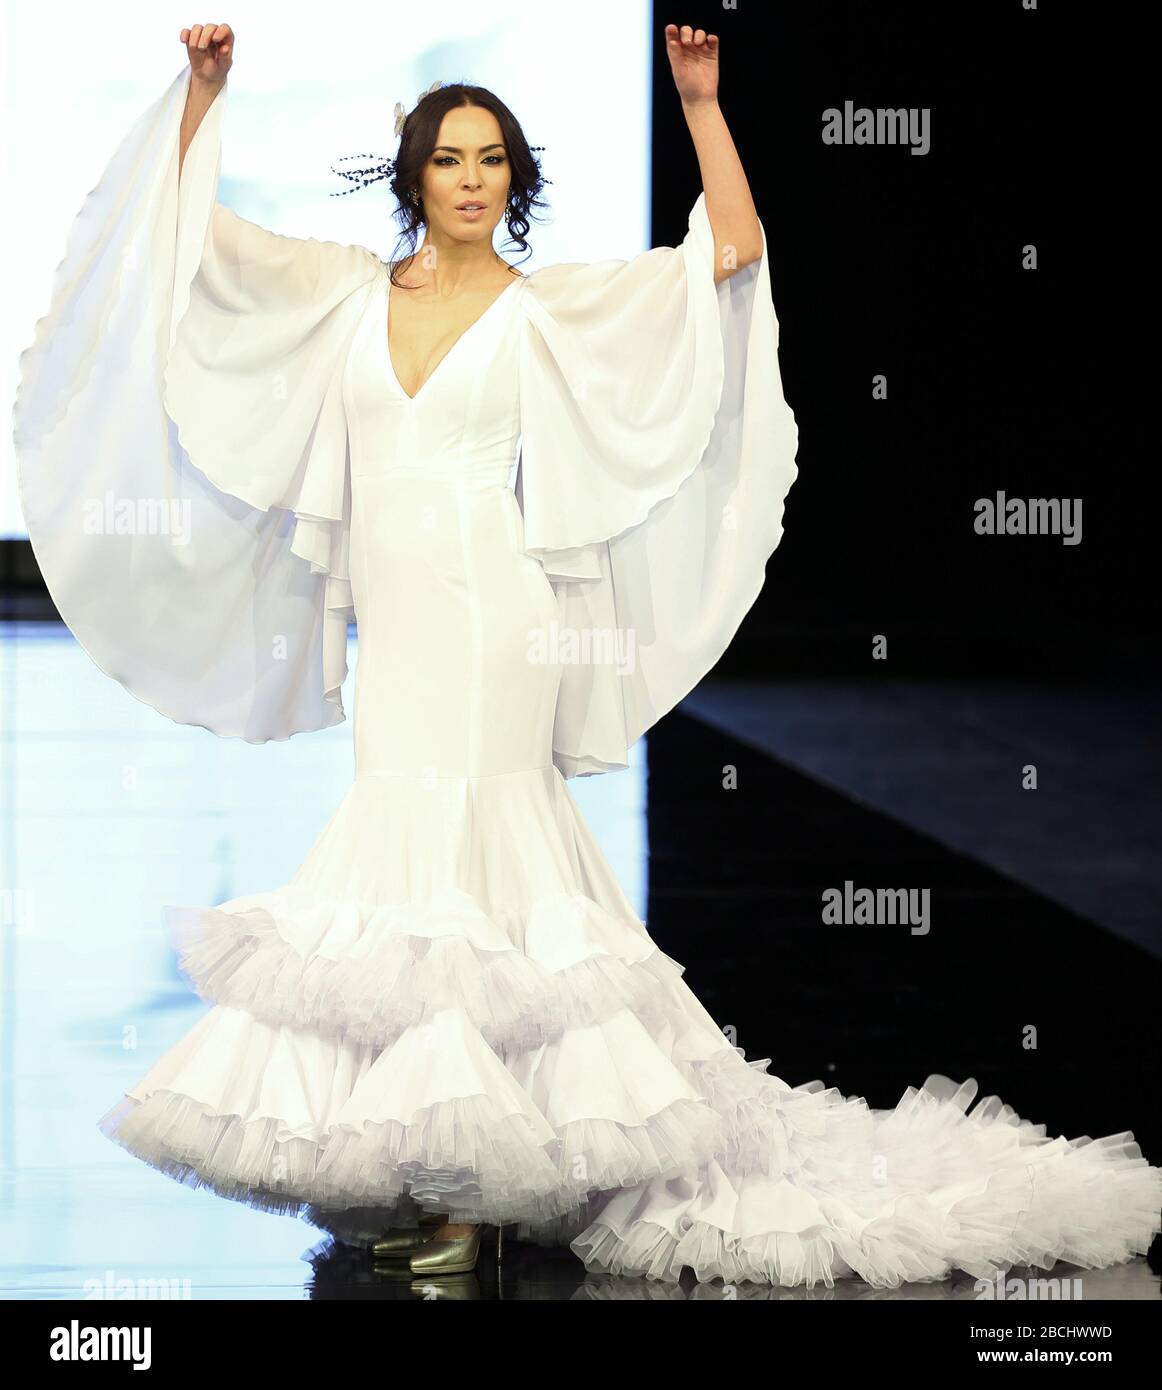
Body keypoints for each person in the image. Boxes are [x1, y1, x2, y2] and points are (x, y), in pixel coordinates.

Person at [13, 21, 1161, 1287]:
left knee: (472, 876)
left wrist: (702, 104)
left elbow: (729, 254)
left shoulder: (544, 310)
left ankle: (461, 1191)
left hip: (497, 623)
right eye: (447, 157)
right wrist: (203, 95)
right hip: (395, 630)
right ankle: (440, 1165)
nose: (468, 177)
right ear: (412, 177)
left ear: (515, 181)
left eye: (492, 158)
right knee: (414, 883)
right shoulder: (343, 292)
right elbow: (182, 246)